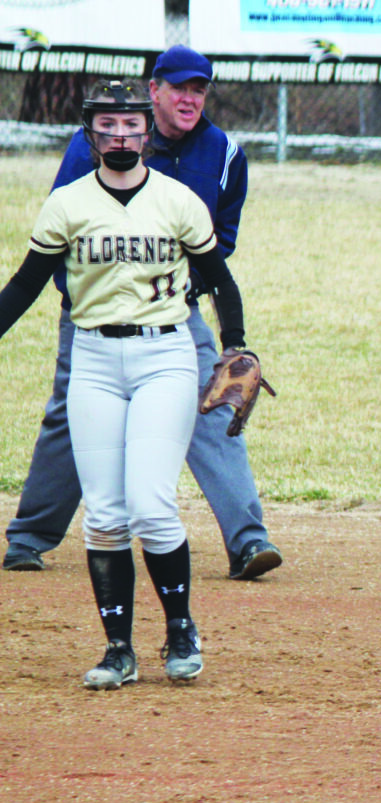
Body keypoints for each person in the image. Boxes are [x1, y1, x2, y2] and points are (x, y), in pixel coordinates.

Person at [0, 80, 253, 689]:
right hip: (90, 358)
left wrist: (235, 344)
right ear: (91, 132)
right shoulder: (67, 204)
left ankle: (180, 629)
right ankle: (118, 649)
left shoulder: (177, 200)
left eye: (130, 124)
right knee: (106, 517)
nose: (119, 134)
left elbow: (219, 279)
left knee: (150, 503)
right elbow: (26, 284)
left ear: (147, 131)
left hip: (164, 356)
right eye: (107, 124)